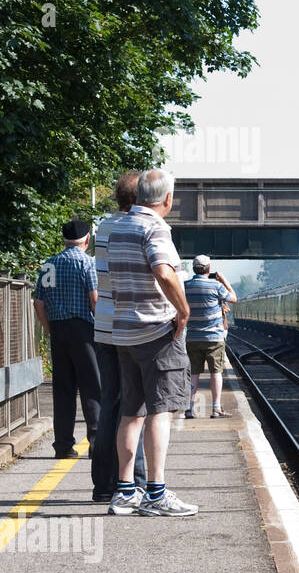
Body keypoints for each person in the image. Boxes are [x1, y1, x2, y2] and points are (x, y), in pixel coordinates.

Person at [107, 169, 197, 517]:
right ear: (167, 199)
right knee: (161, 412)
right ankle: (156, 494)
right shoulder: (154, 227)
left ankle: (125, 491)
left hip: (125, 332)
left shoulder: (118, 228)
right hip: (156, 332)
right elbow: (163, 270)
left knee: (131, 412)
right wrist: (183, 310)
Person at [91, 172, 148, 501]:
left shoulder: (104, 228)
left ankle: (103, 484)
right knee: (134, 407)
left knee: (110, 403)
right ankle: (135, 482)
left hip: (104, 326)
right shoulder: (138, 227)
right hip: (130, 327)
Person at [32, 219, 101, 459]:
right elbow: (94, 300)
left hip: (58, 330)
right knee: (92, 387)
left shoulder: (48, 264)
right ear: (87, 239)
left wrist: (50, 329)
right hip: (84, 331)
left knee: (63, 390)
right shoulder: (88, 263)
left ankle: (63, 446)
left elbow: (38, 303)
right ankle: (96, 443)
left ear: (64, 240)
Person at [183, 255, 238, 418]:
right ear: (208, 269)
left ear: (194, 268)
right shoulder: (216, 286)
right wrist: (224, 280)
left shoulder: (185, 286)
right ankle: (215, 408)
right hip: (214, 338)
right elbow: (234, 298)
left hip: (192, 337)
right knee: (216, 372)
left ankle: (189, 408)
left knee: (193, 373)